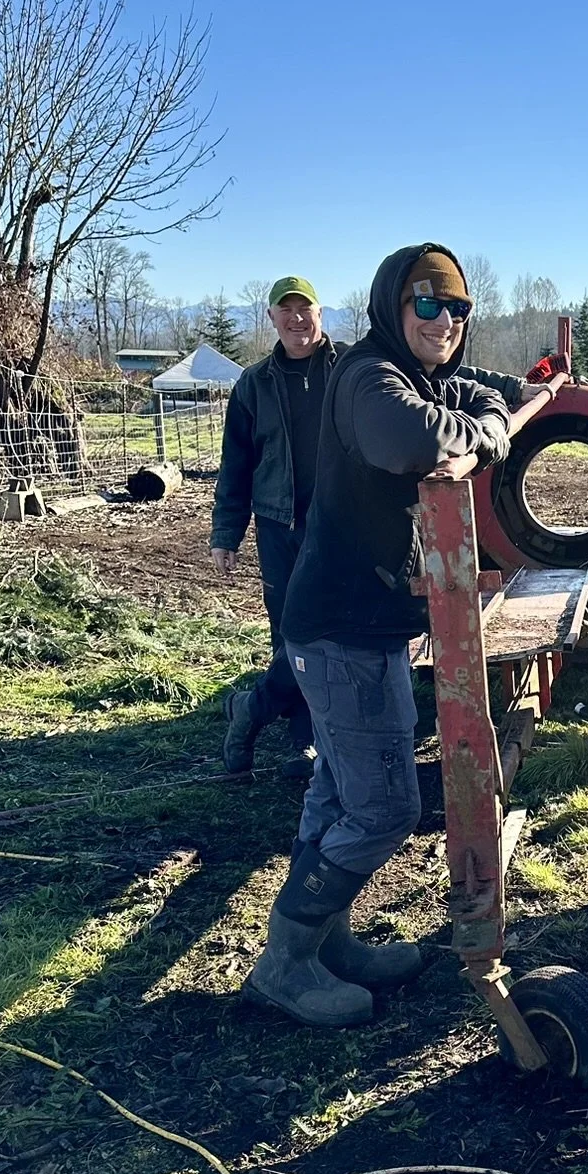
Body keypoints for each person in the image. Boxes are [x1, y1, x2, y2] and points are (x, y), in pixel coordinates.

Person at [241, 244, 513, 1028]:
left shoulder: (422, 375)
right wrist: (483, 434)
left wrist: (498, 410)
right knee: (386, 806)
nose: (446, 320)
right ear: (393, 307)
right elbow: (411, 441)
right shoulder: (369, 377)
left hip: (366, 625)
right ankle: (284, 963)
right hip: (339, 630)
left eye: (458, 308)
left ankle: (327, 938)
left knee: (338, 788)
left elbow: (484, 395)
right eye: (428, 304)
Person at [211, 276, 338, 778]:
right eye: (285, 310)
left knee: (324, 628)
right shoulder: (254, 384)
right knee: (290, 632)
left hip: (339, 524)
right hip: (278, 524)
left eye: (303, 307)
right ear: (271, 318)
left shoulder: (348, 367)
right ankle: (303, 739)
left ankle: (254, 707)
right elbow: (235, 464)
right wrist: (227, 532)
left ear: (319, 312)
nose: (296, 318)